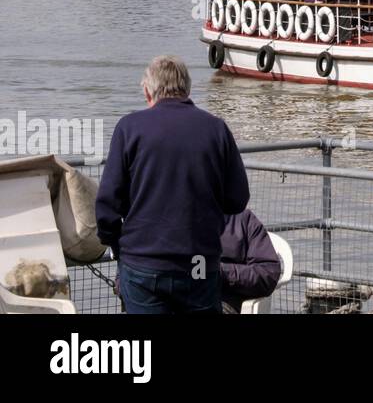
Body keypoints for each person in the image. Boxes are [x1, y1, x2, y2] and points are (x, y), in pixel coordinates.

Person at [96, 56, 250, 314]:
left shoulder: (129, 128)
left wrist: (117, 244)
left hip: (143, 263)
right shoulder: (216, 129)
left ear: (148, 91)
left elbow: (107, 206)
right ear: (188, 90)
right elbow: (237, 199)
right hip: (199, 262)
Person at [219, 209, 281, 314]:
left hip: (223, 303)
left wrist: (223, 272)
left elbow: (268, 273)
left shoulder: (243, 218)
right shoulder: (183, 217)